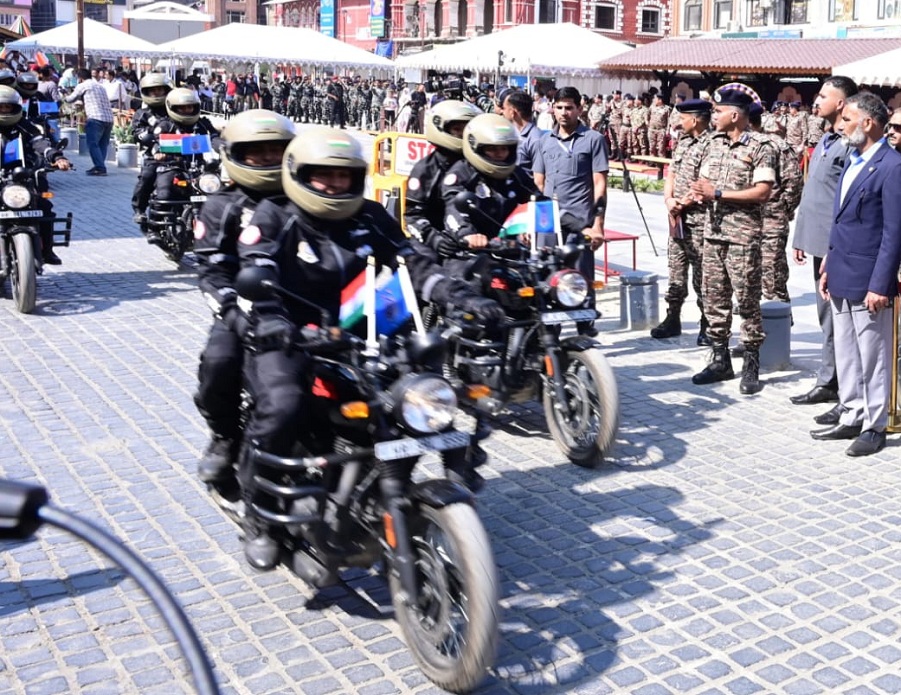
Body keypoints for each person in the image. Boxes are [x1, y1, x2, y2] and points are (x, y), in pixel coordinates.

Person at [235, 129, 504, 569]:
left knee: (429, 389)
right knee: (283, 404)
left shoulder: (371, 215)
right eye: (323, 176)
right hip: (292, 338)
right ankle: (260, 515)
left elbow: (412, 261)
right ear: (298, 175)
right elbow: (256, 276)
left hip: (364, 334)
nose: (335, 185)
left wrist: (460, 296)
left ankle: (431, 477)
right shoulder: (273, 217)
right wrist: (273, 324)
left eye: (345, 176)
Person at [194, 109, 295, 504]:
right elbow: (211, 271)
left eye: (277, 151)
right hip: (247, 309)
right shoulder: (223, 204)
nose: (268, 160)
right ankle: (223, 436)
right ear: (234, 155)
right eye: (257, 153)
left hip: (310, 306)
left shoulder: (309, 192)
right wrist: (234, 310)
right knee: (219, 360)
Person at [811, 92, 901, 457]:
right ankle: (851, 411)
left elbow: (894, 232)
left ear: (868, 123)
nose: (840, 125)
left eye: (847, 119)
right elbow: (842, 220)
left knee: (873, 354)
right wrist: (828, 264)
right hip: (842, 270)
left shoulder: (893, 167)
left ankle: (874, 424)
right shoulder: (852, 159)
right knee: (847, 350)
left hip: (869, 279)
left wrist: (881, 283)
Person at [687, 85, 777, 395]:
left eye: (718, 112)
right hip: (713, 233)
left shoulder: (761, 146)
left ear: (735, 114)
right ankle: (720, 360)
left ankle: (751, 364)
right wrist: (698, 194)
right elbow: (702, 181)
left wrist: (719, 194)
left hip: (742, 236)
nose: (713, 117)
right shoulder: (713, 144)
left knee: (747, 301)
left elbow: (763, 192)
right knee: (715, 299)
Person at [789, 76, 858, 415]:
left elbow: (845, 201)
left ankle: (840, 385)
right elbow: (813, 193)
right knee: (825, 316)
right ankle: (829, 379)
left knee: (839, 318)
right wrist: (800, 235)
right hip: (816, 241)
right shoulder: (827, 139)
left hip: (836, 247)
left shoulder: (850, 144)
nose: (816, 101)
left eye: (823, 95)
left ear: (842, 103)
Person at [533, 86, 608, 336]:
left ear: (579, 109)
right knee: (547, 279)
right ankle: (550, 340)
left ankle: (585, 336)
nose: (564, 113)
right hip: (548, 224)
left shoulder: (593, 140)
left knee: (581, 281)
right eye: (559, 107)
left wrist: (598, 225)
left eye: (569, 107)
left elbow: (600, 184)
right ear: (552, 109)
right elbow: (538, 183)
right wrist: (531, 225)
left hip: (580, 224)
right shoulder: (544, 140)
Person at [652, 99, 712, 344]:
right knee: (675, 270)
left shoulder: (713, 144)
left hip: (699, 219)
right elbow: (672, 173)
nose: (678, 122)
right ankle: (672, 317)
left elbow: (706, 180)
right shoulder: (683, 142)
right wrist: (668, 199)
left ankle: (707, 323)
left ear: (695, 119)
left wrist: (683, 202)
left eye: (683, 118)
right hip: (677, 218)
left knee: (702, 274)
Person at [0, 86, 71, 265]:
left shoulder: (25, 125)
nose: (4, 111)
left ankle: (47, 250)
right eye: (0, 107)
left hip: (22, 176)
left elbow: (40, 143)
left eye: (7, 107)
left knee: (44, 206)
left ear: (15, 108)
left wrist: (57, 157)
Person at [404, 99, 481, 249]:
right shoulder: (425, 169)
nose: (463, 134)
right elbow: (412, 216)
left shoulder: (479, 162)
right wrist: (435, 239)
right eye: (457, 129)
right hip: (437, 242)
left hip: (476, 239)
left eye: (467, 129)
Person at [131, 73, 173, 227]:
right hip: (155, 155)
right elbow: (137, 133)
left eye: (160, 90)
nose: (156, 93)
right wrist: (154, 144)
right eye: (152, 90)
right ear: (146, 93)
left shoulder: (176, 109)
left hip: (181, 155)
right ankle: (139, 208)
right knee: (147, 176)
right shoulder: (143, 114)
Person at [65, 68, 114, 176]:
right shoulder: (100, 86)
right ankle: (100, 165)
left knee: (92, 144)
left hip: (95, 118)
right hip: (109, 118)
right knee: (103, 144)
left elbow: (70, 99)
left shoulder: (83, 85)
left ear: (80, 78)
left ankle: (100, 167)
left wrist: (64, 95)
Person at [502, 90, 544, 179]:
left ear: (512, 112)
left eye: (504, 108)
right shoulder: (511, 133)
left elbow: (540, 178)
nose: (502, 112)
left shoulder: (535, 139)